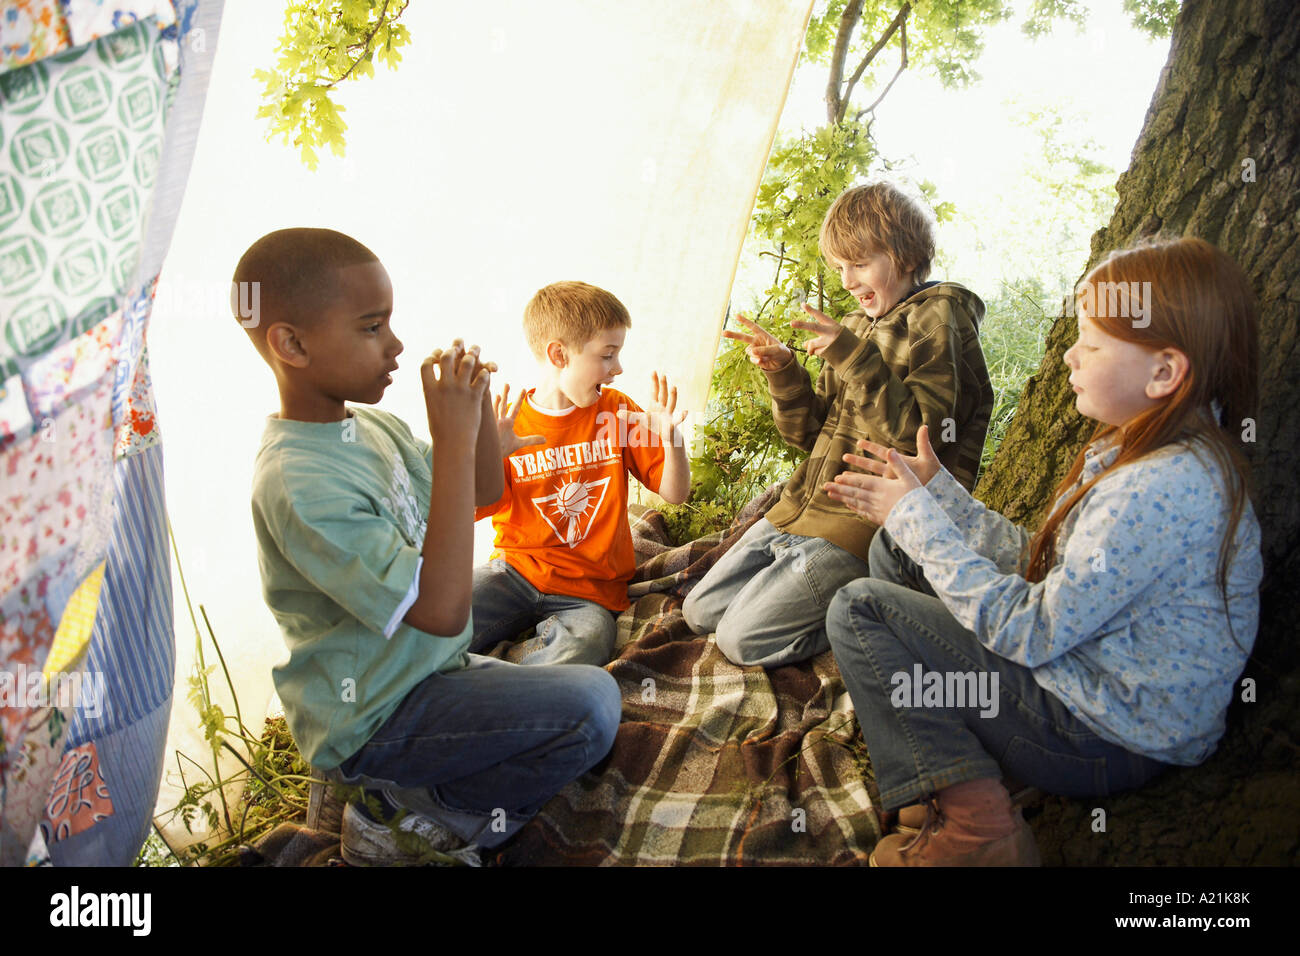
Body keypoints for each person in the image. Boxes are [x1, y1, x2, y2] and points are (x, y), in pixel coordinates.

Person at [823, 236, 1263, 866]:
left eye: (1092, 345)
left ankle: (981, 832)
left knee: (860, 609)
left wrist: (922, 520)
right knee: (899, 550)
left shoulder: (1157, 488)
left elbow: (1031, 629)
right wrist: (939, 500)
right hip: (1086, 682)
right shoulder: (1152, 455)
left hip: (1104, 736)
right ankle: (947, 777)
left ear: (1164, 372)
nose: (1069, 360)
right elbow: (1046, 564)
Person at [238, 229, 621, 865]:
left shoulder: (372, 426)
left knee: (580, 701)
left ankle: (399, 793)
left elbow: (475, 494)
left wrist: (473, 430)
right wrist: (449, 437)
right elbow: (443, 612)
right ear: (292, 343)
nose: (396, 345)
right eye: (371, 327)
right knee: (591, 706)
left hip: (427, 674)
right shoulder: (298, 482)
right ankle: (410, 819)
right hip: (375, 713)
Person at [682, 181, 993, 667]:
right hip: (800, 507)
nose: (847, 280)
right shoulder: (852, 326)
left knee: (741, 640)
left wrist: (852, 355)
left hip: (862, 525)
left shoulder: (940, 316)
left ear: (906, 256)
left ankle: (866, 617)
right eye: (838, 267)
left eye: (860, 263)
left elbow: (922, 439)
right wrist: (784, 371)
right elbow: (807, 435)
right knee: (699, 612)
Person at [471, 280, 691, 665]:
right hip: (513, 573)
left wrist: (672, 440)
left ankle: (509, 690)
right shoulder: (509, 422)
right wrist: (488, 456)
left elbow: (675, 493)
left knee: (584, 648)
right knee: (433, 619)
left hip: (589, 593)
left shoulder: (615, 411)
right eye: (608, 355)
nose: (618, 368)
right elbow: (472, 508)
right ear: (558, 354)